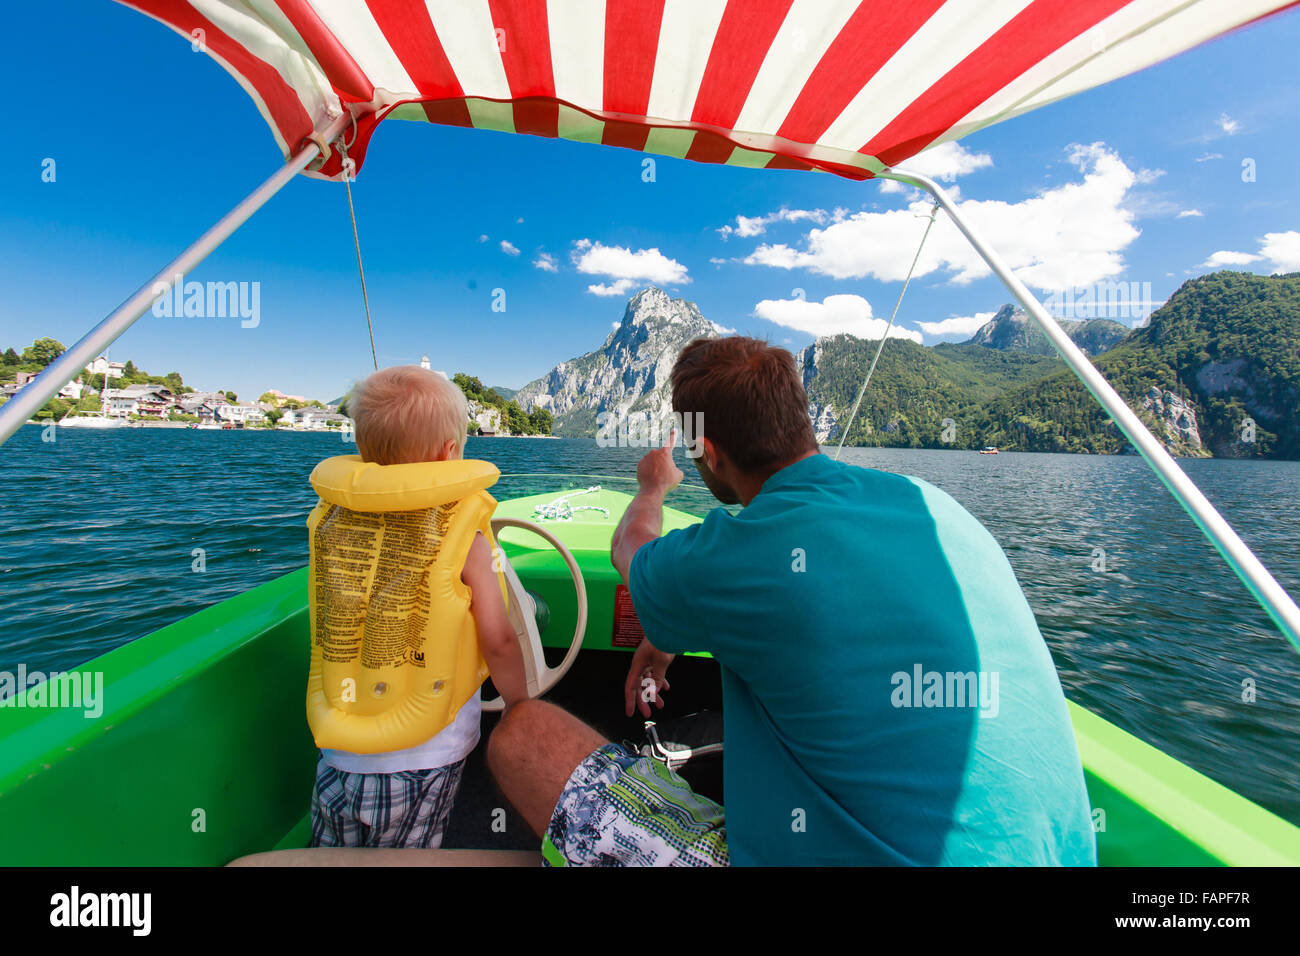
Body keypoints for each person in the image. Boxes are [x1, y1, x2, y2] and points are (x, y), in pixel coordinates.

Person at [489, 336, 1097, 866]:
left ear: (712, 454)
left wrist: (654, 485)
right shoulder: (934, 506)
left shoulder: (747, 548)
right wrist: (671, 629)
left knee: (524, 733)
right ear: (801, 421)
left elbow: (631, 549)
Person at [307, 365, 526, 848]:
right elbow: (499, 638)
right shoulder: (464, 534)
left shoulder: (334, 522)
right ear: (449, 453)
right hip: (424, 753)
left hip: (338, 749)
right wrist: (518, 705)